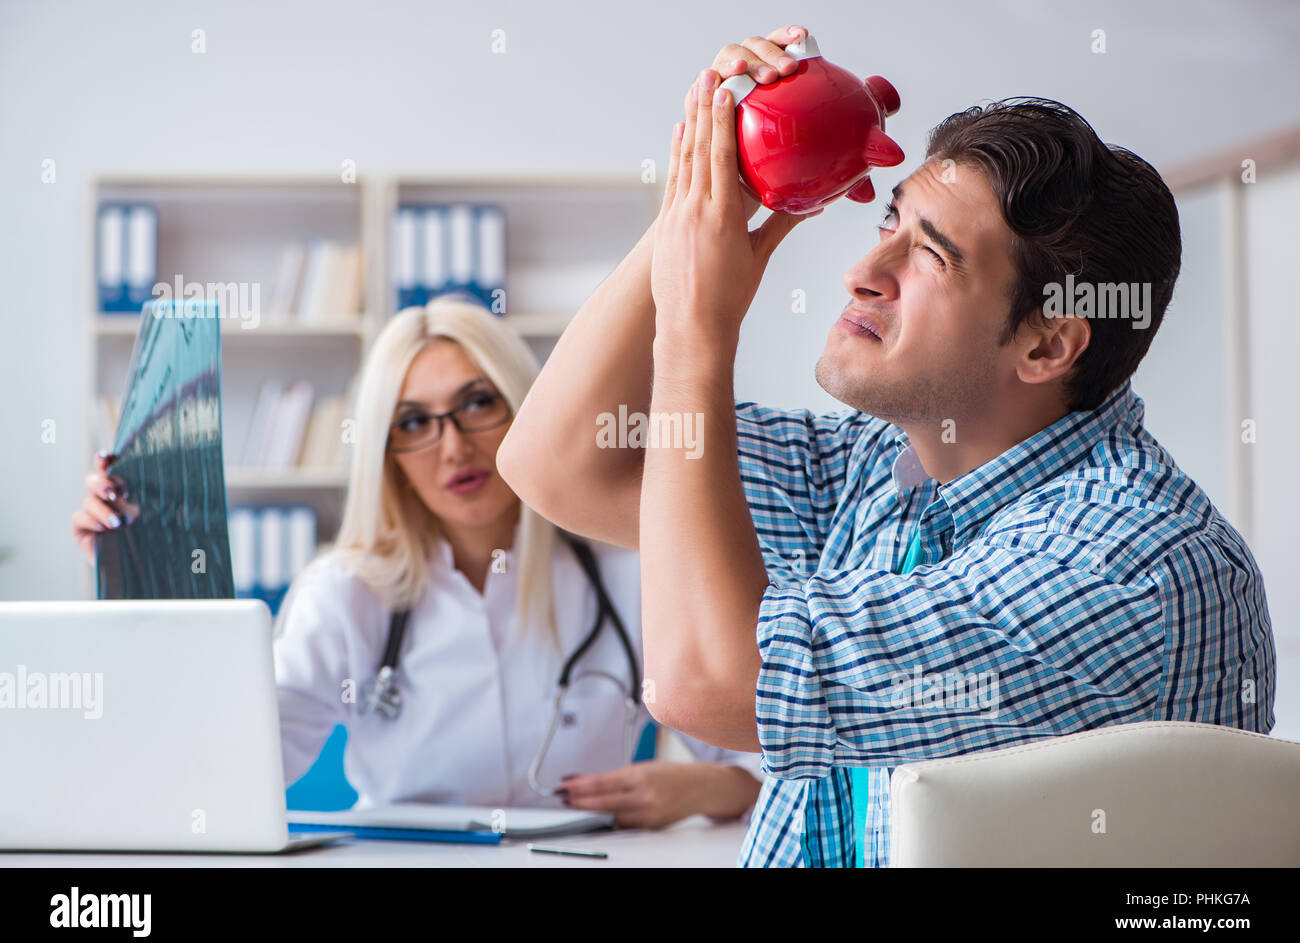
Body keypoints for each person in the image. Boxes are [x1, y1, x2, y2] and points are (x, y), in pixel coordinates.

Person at [496, 24, 1277, 866]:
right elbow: (559, 460)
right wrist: (701, 197)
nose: (865, 270)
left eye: (931, 257)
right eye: (892, 220)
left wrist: (697, 326)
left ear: (1048, 345)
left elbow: (705, 683)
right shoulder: (879, 468)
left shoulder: (1126, 566)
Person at [72, 295, 763, 828]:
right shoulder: (344, 594)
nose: (453, 446)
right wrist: (137, 586)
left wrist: (711, 785)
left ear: (528, 409)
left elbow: (768, 755)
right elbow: (219, 765)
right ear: (387, 454)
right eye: (413, 422)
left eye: (477, 403)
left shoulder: (627, 573)